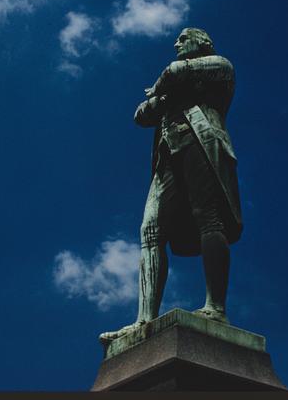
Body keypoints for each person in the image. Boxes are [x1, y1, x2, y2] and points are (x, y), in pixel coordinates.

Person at [99, 27, 242, 345]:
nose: (176, 43)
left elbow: (174, 72)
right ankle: (143, 320)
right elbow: (141, 115)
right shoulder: (186, 83)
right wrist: (162, 95)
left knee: (210, 218)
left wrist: (161, 92)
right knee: (150, 230)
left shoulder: (220, 65)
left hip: (202, 143)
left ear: (202, 42)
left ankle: (215, 308)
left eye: (183, 38)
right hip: (167, 158)